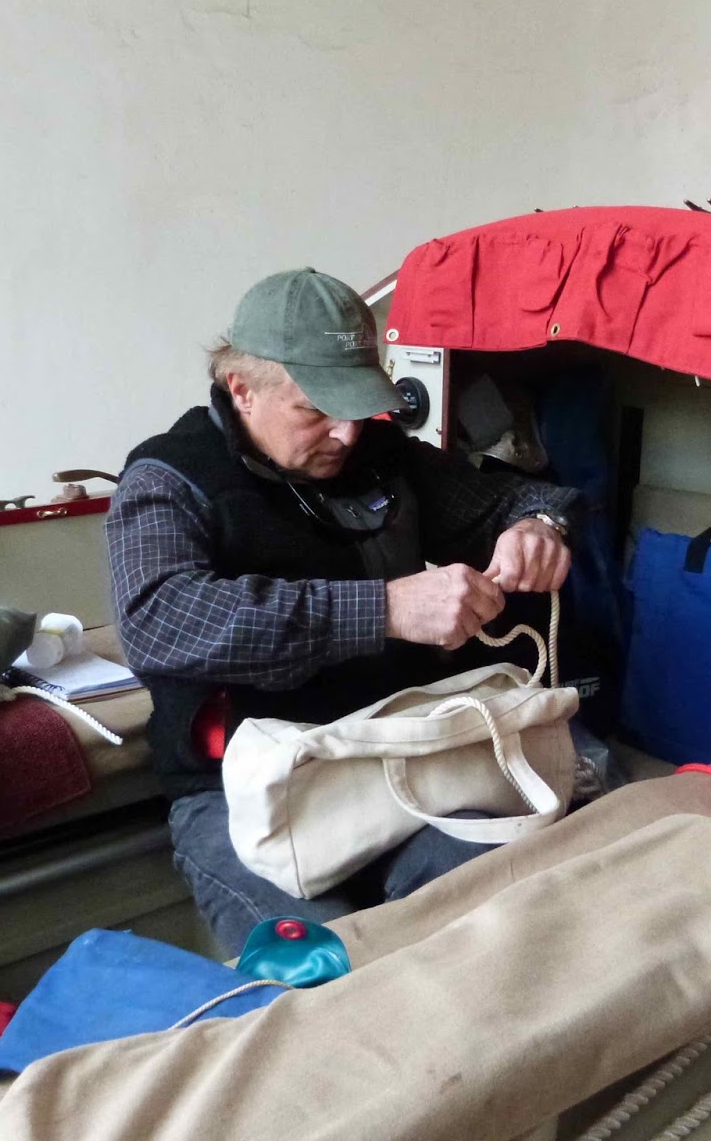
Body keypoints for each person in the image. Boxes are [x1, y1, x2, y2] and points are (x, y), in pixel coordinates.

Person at [106, 268, 578, 954]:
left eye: (359, 407)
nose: (347, 433)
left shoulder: (384, 458)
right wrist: (384, 609)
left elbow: (516, 501)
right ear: (241, 389)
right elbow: (160, 619)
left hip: (397, 753)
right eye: (316, 410)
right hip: (241, 789)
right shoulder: (168, 479)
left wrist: (537, 527)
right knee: (326, 967)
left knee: (505, 920)